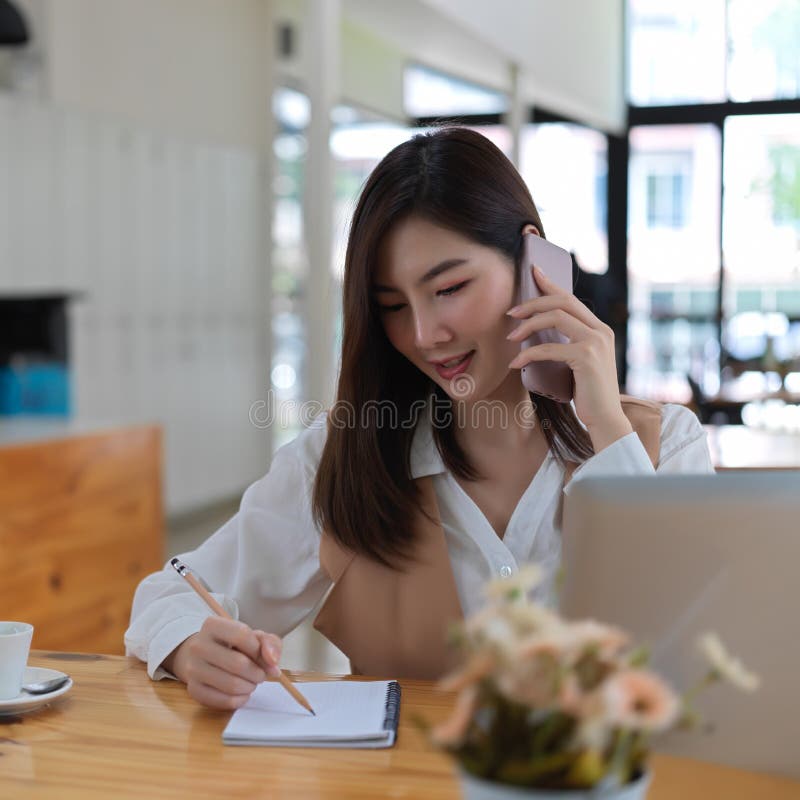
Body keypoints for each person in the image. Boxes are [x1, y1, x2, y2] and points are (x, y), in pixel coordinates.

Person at [125, 127, 714, 710]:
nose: (426, 335)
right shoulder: (347, 453)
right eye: (393, 306)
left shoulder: (666, 446)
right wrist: (190, 644)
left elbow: (691, 654)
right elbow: (171, 593)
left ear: (532, 260)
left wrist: (606, 429)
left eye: (450, 287)